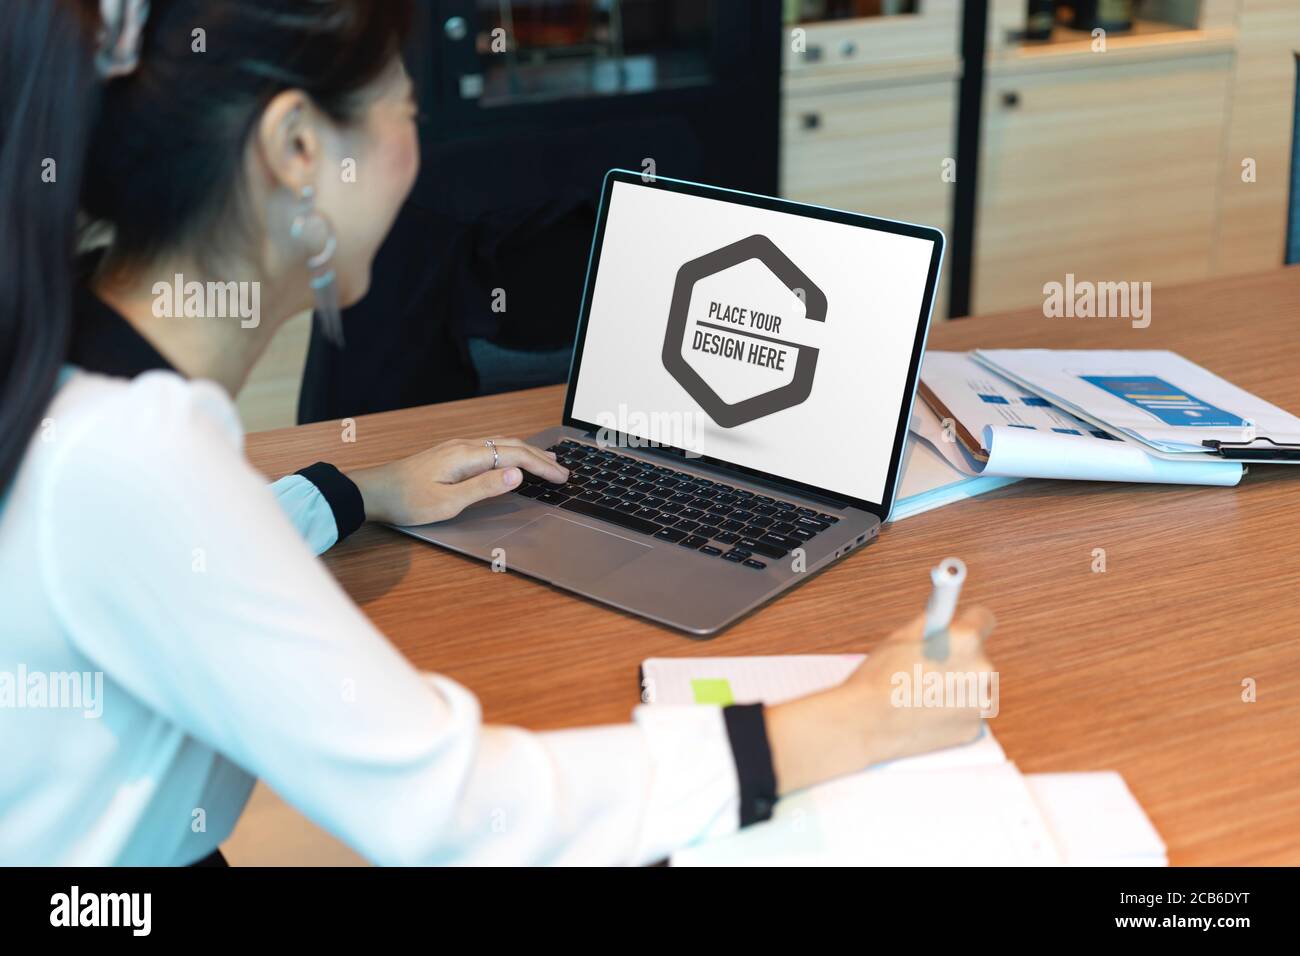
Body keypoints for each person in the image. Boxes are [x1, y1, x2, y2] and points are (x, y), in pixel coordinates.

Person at [0, 0, 996, 866]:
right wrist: (857, 716)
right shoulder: (132, 455)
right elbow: (463, 814)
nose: (416, 150)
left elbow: (167, 554)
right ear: (297, 150)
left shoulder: (80, 376)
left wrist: (355, 494)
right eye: (405, 107)